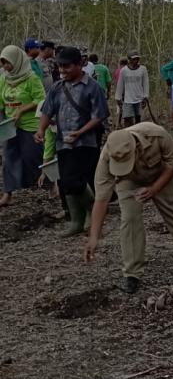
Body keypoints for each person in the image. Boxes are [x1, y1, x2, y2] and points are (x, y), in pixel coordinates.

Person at [85, 122, 173, 293]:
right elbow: (101, 199)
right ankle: (132, 274)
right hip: (129, 180)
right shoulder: (107, 156)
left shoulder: (157, 134)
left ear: (135, 148)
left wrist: (154, 189)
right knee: (129, 220)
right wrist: (94, 237)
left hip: (161, 173)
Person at [36, 46, 109, 236]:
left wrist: (80, 132)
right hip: (63, 141)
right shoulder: (57, 87)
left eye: (67, 67)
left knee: (76, 180)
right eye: (60, 67)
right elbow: (47, 110)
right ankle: (76, 222)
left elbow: (99, 115)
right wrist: (41, 130)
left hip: (86, 142)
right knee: (66, 182)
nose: (62, 71)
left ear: (79, 65)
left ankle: (94, 216)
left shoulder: (92, 87)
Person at [0, 45, 46, 207]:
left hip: (30, 124)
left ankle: (52, 184)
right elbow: (1, 101)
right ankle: (8, 193)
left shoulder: (31, 78)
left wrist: (21, 110)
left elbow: (40, 99)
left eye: (8, 63)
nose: (6, 66)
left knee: (32, 157)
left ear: (17, 61)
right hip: (9, 125)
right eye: (3, 63)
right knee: (9, 157)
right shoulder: (4, 79)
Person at [116, 53, 150, 127]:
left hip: (139, 98)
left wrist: (145, 96)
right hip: (128, 99)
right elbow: (120, 84)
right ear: (129, 60)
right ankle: (128, 134)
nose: (136, 60)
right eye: (134, 59)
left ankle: (137, 134)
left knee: (138, 118)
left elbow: (145, 83)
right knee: (127, 118)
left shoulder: (143, 69)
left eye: (137, 59)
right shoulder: (124, 70)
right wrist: (118, 98)